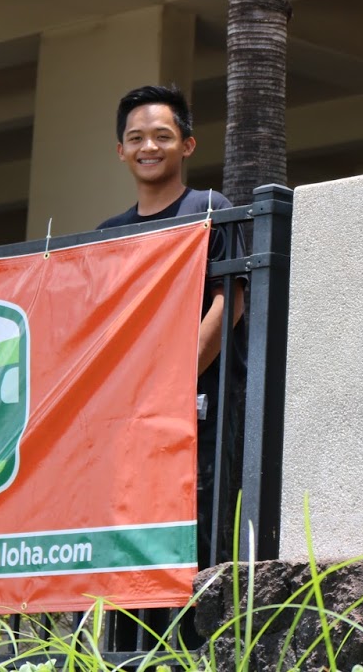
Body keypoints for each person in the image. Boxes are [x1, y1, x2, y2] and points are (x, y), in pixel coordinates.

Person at [98, 85, 244, 564]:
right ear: (121, 151)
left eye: (163, 136)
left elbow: (230, 302)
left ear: (187, 145)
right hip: (126, 417)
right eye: (136, 138)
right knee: (132, 538)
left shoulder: (209, 208)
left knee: (197, 537)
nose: (149, 147)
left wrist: (172, 382)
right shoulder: (108, 234)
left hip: (197, 408)